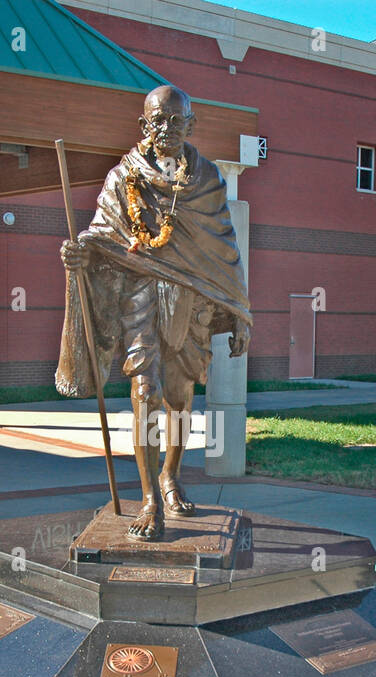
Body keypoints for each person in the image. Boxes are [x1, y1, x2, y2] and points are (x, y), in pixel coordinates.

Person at [57, 84, 252, 540]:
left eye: (176, 121)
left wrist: (239, 312)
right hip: (139, 293)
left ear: (191, 124)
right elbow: (101, 234)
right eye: (157, 121)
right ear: (144, 124)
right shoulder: (122, 177)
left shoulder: (206, 180)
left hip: (189, 301)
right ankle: (148, 499)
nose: (167, 129)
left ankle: (170, 476)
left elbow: (225, 250)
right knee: (144, 389)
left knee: (180, 399)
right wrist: (80, 256)